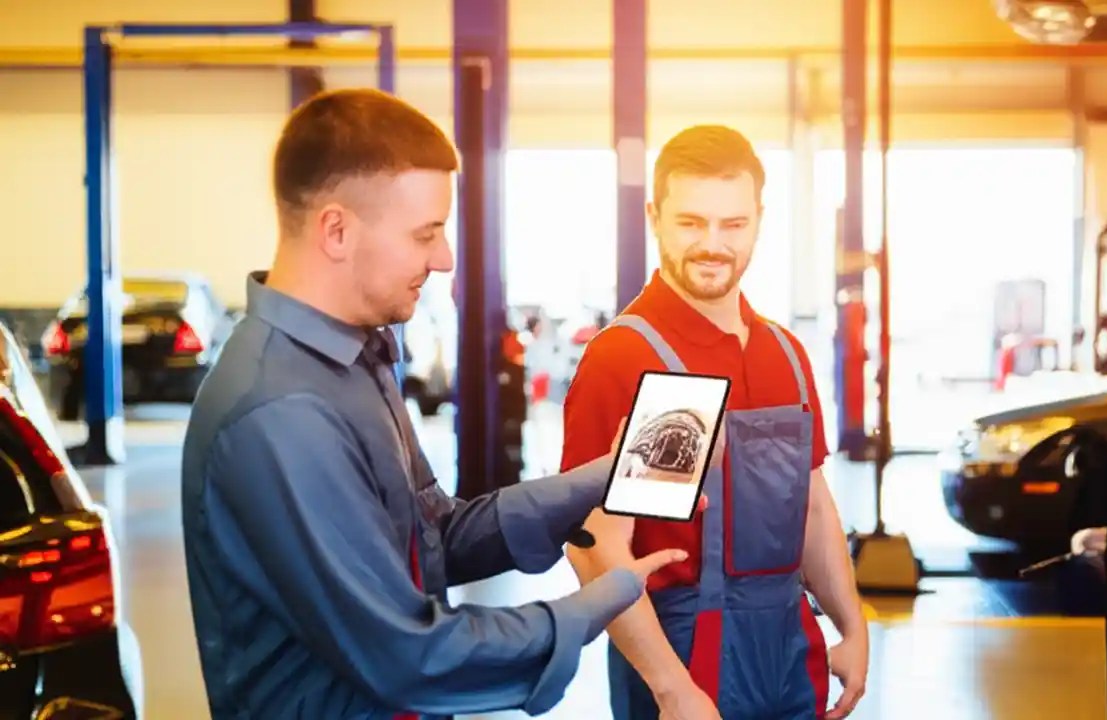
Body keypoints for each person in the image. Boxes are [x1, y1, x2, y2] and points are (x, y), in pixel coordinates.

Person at [180, 88, 688, 720]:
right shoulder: (281, 412)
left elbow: (435, 537)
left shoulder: (357, 357)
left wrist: (599, 479)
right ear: (335, 230)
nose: (445, 259)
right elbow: (404, 655)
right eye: (426, 234)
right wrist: (586, 608)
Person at [561, 125, 871, 720]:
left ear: (758, 218)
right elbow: (595, 549)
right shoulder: (627, 356)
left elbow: (809, 505)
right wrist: (672, 690)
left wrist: (851, 625)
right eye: (690, 222)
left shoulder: (784, 353)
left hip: (787, 647)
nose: (712, 244)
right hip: (679, 654)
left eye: (733, 224)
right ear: (655, 217)